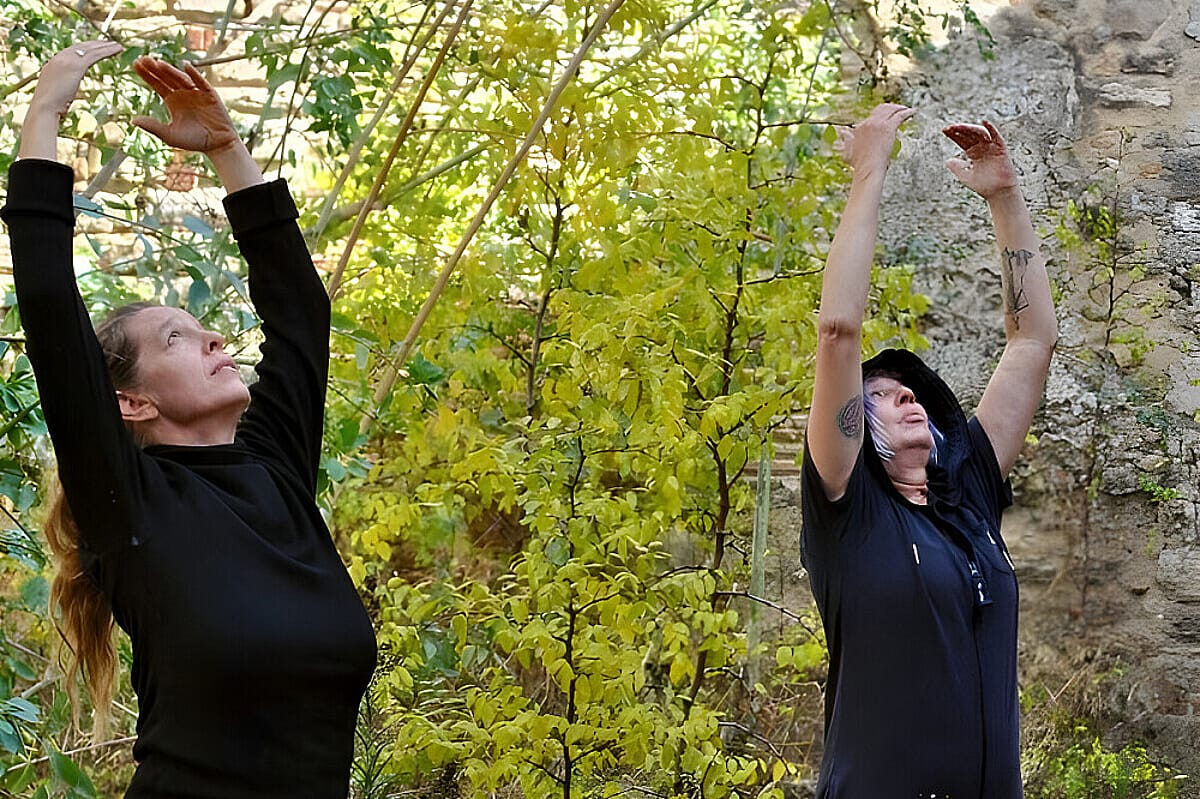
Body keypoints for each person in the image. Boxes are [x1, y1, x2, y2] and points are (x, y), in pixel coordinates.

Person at [2, 42, 376, 797]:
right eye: (175, 337)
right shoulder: (131, 505)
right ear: (131, 403)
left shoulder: (274, 472)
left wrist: (228, 149)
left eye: (202, 326)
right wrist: (44, 115)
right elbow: (48, 304)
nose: (212, 336)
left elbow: (301, 313)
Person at [800, 103, 1057, 797]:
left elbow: (1031, 342)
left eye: (913, 391)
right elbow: (837, 332)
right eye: (882, 394)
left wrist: (1005, 197)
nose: (906, 396)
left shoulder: (966, 489)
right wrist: (869, 171)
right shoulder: (848, 512)